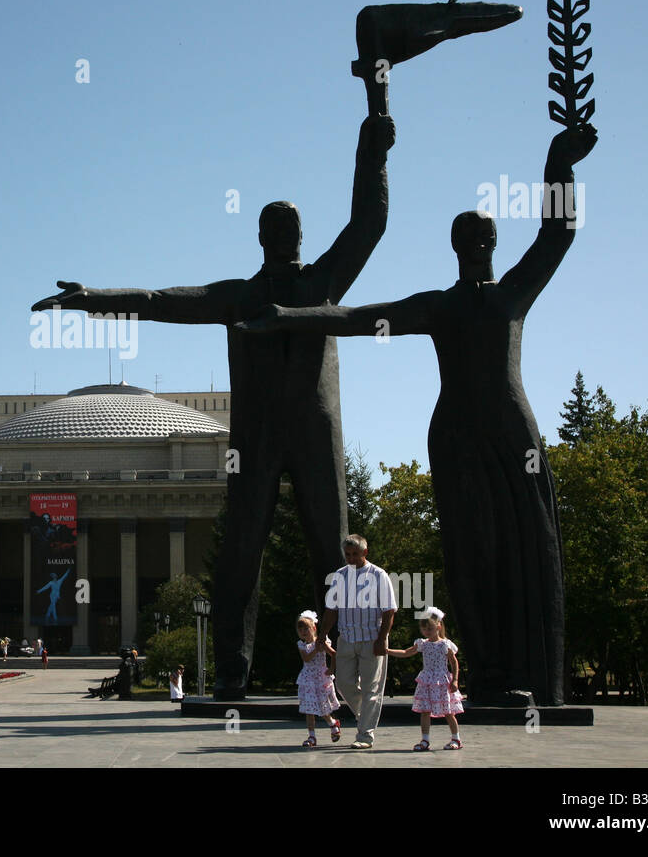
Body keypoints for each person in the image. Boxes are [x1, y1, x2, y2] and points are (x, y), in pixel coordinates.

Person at [33, 114, 396, 699]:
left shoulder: (301, 287)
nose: (287, 237)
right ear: (268, 238)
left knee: (315, 554)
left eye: (290, 228)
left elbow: (369, 223)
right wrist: (89, 299)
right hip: (263, 438)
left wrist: (372, 152)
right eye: (282, 229)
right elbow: (157, 301)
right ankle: (237, 672)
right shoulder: (259, 292)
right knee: (252, 556)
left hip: (300, 434)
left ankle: (317, 669)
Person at [238, 124, 596, 706]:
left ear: (495, 245)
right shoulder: (439, 306)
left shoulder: (511, 296)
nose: (480, 247)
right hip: (456, 438)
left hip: (511, 433)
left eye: (488, 239)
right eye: (471, 239)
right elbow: (356, 317)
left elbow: (558, 234)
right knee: (469, 553)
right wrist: (286, 315)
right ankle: (488, 673)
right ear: (456, 247)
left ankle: (534, 676)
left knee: (529, 546)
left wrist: (560, 162)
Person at [317, 535, 395, 748]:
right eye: (347, 555)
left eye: (355, 554)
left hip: (372, 638)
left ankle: (365, 735)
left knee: (372, 688)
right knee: (343, 683)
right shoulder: (340, 576)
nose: (351, 558)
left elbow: (389, 611)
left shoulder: (379, 575)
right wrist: (322, 634)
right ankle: (365, 715)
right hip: (347, 638)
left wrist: (381, 640)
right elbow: (331, 609)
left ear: (364, 553)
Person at [387, 607, 464, 750]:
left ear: (438, 626)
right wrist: (387, 651)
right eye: (424, 629)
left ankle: (456, 738)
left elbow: (454, 662)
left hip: (441, 681)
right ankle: (425, 740)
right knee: (425, 710)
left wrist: (455, 680)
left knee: (448, 712)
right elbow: (405, 652)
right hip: (427, 680)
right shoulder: (423, 644)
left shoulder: (445, 644)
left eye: (430, 628)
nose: (427, 632)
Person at [296, 611, 341, 747]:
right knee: (309, 708)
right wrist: (316, 649)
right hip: (308, 679)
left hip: (321, 678)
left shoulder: (323, 641)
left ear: (314, 628)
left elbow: (333, 654)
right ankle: (312, 736)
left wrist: (332, 669)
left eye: (306, 628)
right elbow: (306, 658)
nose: (303, 632)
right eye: (300, 629)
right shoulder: (301, 645)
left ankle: (333, 723)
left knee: (323, 707)